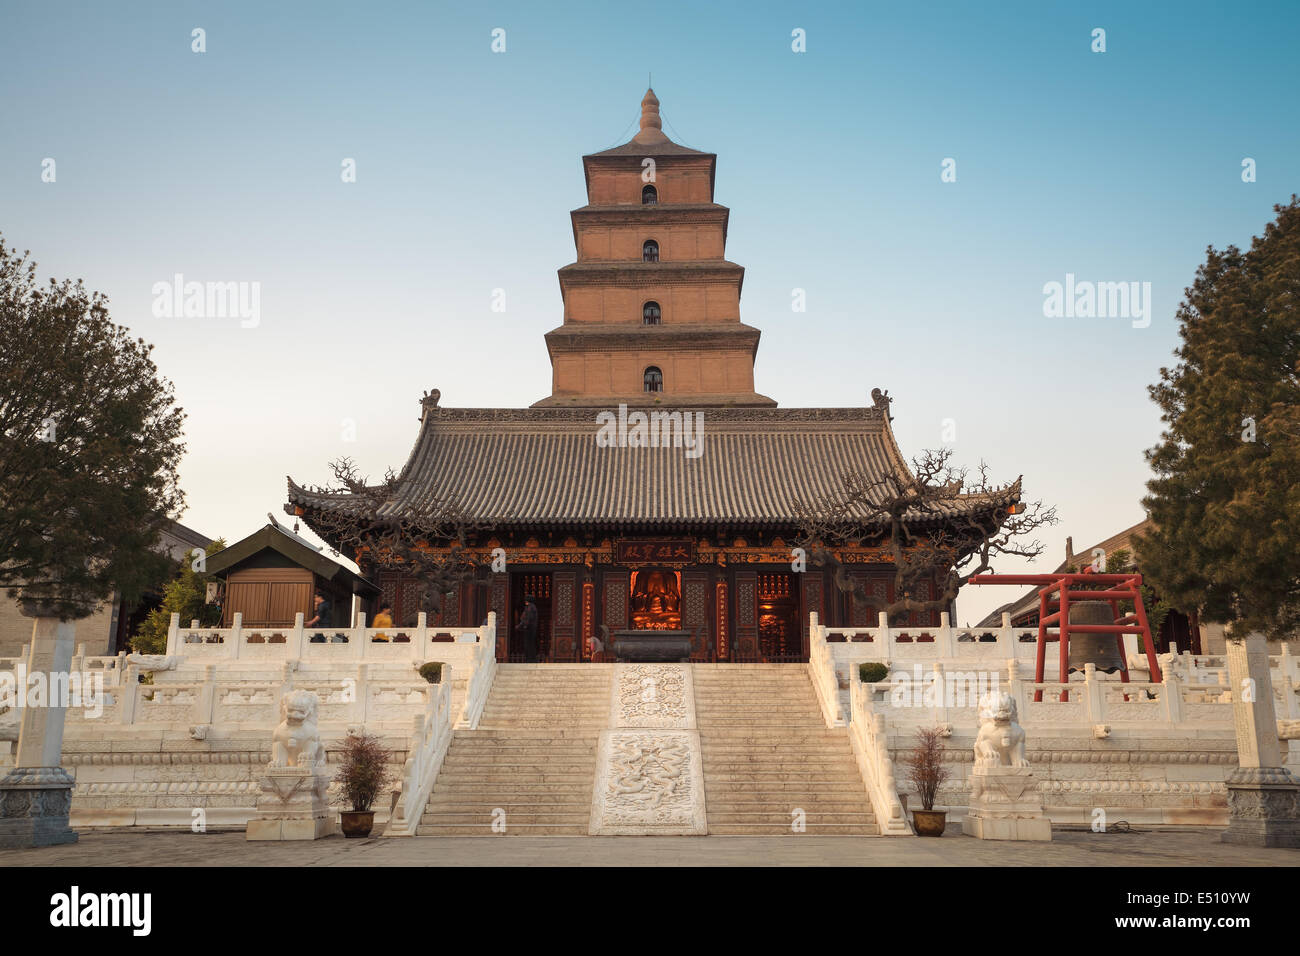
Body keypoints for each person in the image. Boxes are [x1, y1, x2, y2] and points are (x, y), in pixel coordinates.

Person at [516, 595, 539, 663]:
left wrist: (521, 625)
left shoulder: (530, 607)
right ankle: (532, 659)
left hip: (529, 629)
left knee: (528, 644)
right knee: (531, 644)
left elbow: (528, 618)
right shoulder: (533, 607)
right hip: (532, 628)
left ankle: (530, 659)